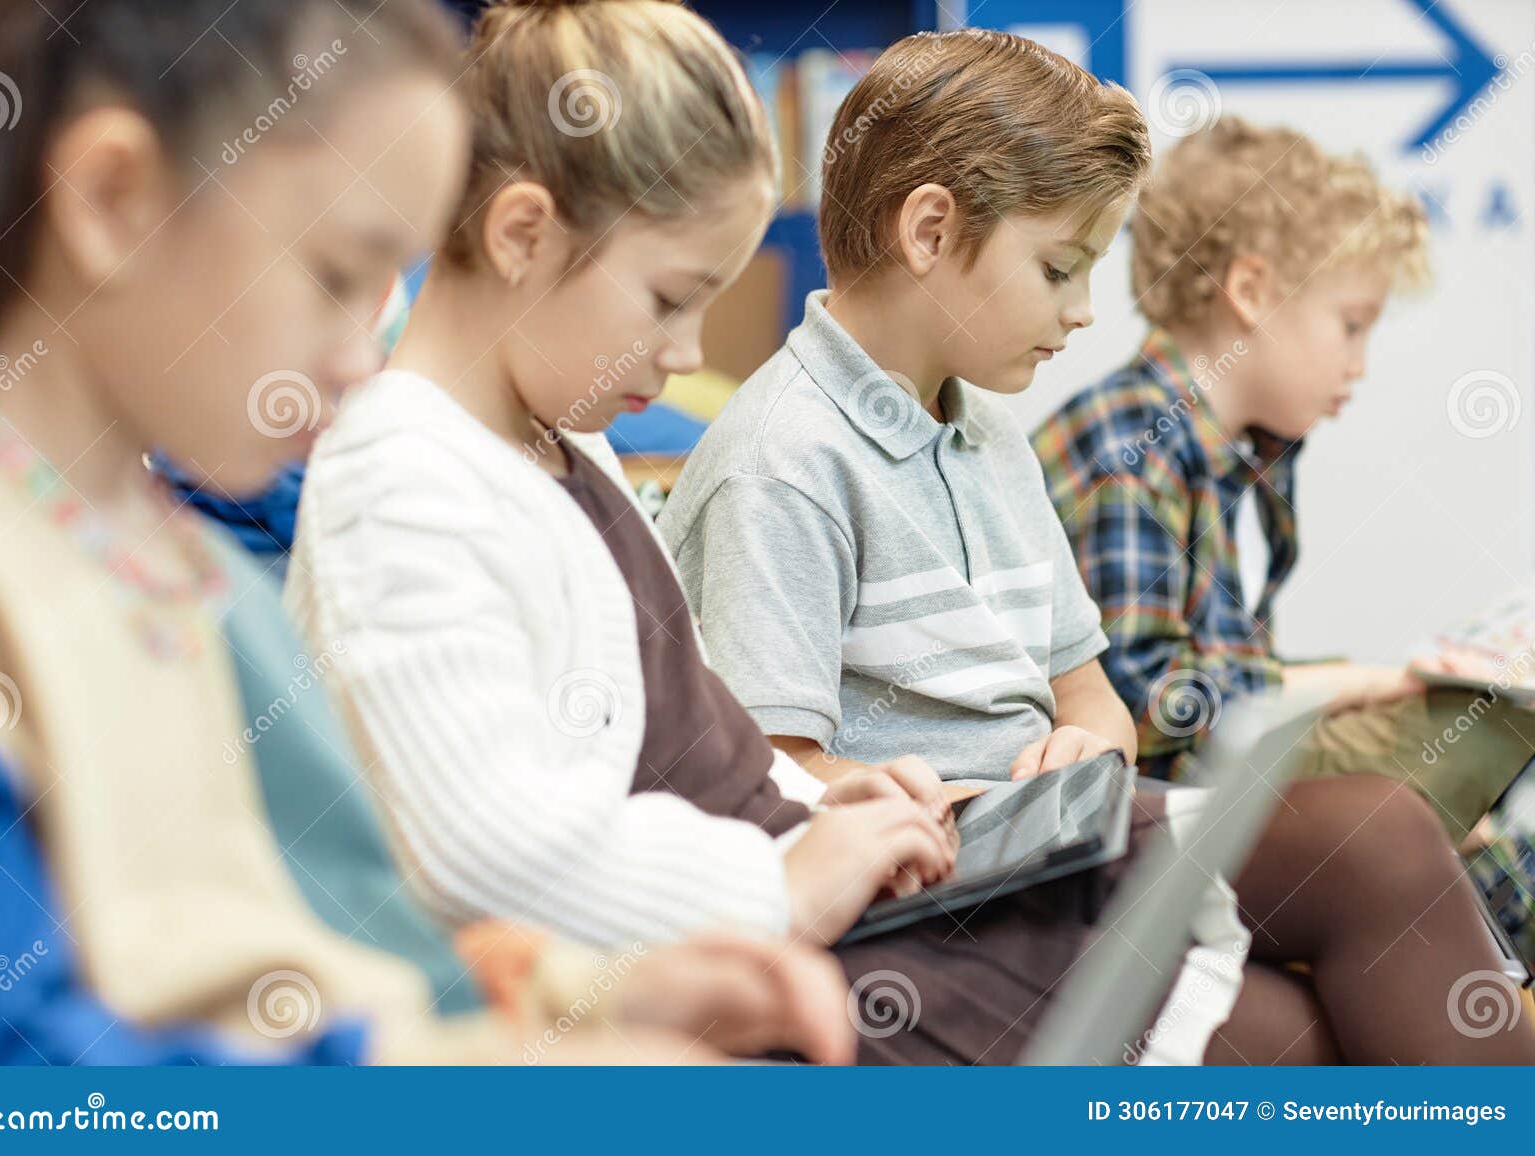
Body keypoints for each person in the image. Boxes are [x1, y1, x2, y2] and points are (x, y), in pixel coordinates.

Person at [0, 0, 850, 1067]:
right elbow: (5, 1085)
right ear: (113, 197)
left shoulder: (179, 567)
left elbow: (322, 943)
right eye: (333, 276)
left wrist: (591, 992)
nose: (361, 357)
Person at [656, 31, 1535, 1063]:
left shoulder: (987, 436)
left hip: (1058, 845)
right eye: (1058, 269)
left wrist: (1086, 748)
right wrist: (972, 801)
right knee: (1339, 929)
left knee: (1366, 898)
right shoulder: (781, 459)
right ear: (931, 230)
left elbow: (1094, 703)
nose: (1080, 314)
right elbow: (776, 779)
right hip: (953, 888)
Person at [1028, 117, 1533, 841]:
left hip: (1212, 790)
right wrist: (1351, 684)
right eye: (1352, 324)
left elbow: (1227, 678)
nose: (1359, 362)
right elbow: (1149, 700)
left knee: (1486, 786)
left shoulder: (1242, 450)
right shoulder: (1131, 445)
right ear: (1253, 291)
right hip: (1148, 820)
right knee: (1485, 725)